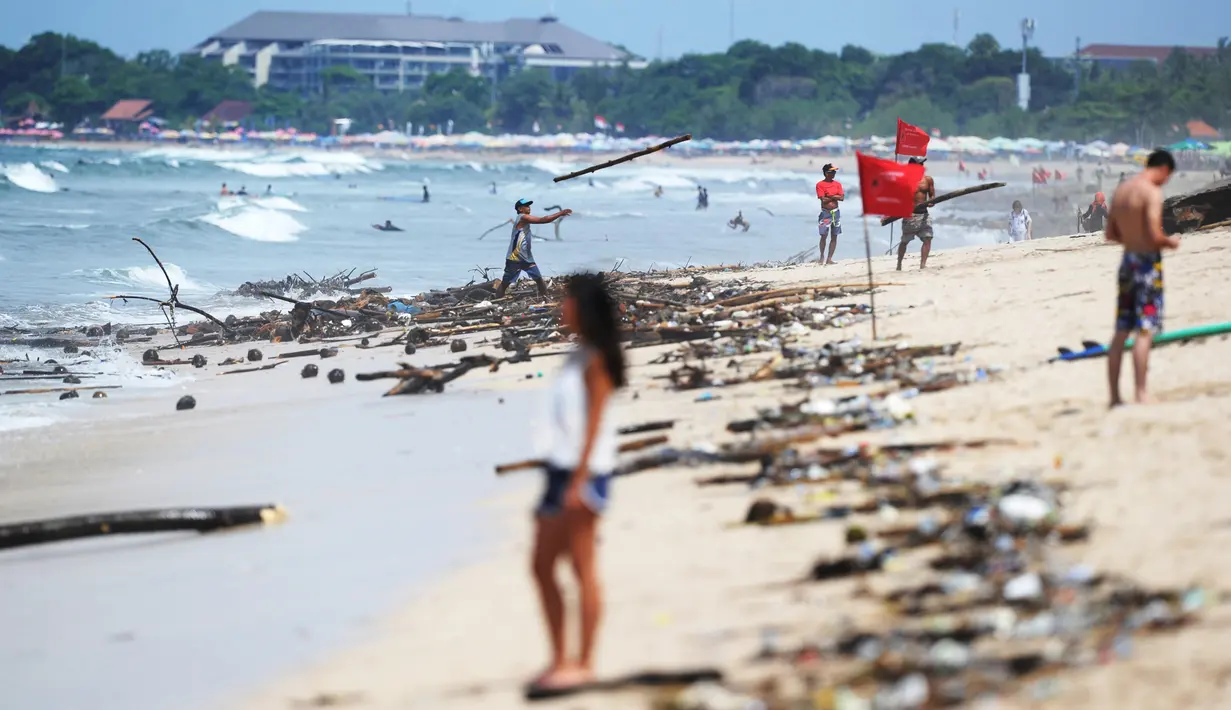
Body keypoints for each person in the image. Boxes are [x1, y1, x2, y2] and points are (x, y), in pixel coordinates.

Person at [528, 271, 626, 692]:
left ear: (583, 308)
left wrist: (580, 478)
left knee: (582, 567)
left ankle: (583, 663)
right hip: (561, 470)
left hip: (583, 473)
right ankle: (560, 658)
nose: (560, 307)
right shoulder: (577, 354)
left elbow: (595, 424)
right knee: (542, 566)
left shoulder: (597, 358)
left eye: (566, 301)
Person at [1105, 149, 1179, 407]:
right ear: (1164, 169)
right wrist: (1170, 242)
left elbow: (1110, 234)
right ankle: (1141, 393)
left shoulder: (1123, 190)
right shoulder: (1151, 191)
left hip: (1127, 262)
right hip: (1147, 265)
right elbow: (1153, 233)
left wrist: (1132, 239)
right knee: (1145, 329)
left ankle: (1114, 397)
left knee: (1121, 330)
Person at [497, 199, 570, 299]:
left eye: (529, 205)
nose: (529, 207)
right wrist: (560, 213)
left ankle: (546, 298)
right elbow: (544, 220)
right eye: (526, 206)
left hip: (526, 258)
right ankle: (496, 300)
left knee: (539, 279)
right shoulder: (522, 217)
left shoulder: (524, 219)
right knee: (505, 284)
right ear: (520, 209)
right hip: (515, 257)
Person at [896, 157, 935, 271]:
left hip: (924, 215)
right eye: (920, 164)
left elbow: (932, 195)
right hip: (910, 216)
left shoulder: (928, 180)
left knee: (927, 238)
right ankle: (899, 263)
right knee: (905, 241)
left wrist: (931, 202)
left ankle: (923, 264)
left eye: (922, 164)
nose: (922, 166)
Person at [814, 163, 844, 265]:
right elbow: (823, 200)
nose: (834, 173)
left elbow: (842, 198)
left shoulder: (837, 184)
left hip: (836, 213)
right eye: (832, 172)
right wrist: (835, 196)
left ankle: (829, 258)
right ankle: (822, 256)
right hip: (825, 213)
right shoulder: (820, 185)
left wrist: (830, 196)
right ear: (826, 173)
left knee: (834, 235)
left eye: (834, 172)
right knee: (823, 235)